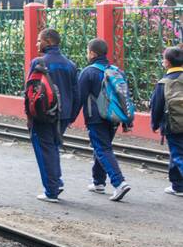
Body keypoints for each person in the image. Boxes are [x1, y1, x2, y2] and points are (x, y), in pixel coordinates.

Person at [26, 28, 79, 203]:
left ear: (48, 41)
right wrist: (71, 116)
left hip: (43, 115)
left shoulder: (38, 62)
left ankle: (51, 190)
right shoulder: (70, 64)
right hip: (63, 115)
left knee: (44, 150)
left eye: (39, 40)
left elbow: (29, 91)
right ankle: (57, 181)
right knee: (53, 147)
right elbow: (76, 93)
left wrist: (29, 116)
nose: (37, 44)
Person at [76, 38, 131, 201]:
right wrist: (127, 120)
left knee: (102, 149)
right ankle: (98, 182)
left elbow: (80, 97)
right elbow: (125, 97)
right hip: (114, 118)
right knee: (102, 147)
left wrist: (69, 118)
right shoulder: (117, 71)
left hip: (96, 118)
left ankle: (119, 183)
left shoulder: (88, 72)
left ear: (92, 53)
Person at [150, 45, 183, 196]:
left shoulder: (163, 83)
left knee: (177, 155)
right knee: (176, 155)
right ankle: (177, 185)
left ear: (168, 63)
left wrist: (155, 124)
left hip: (172, 125)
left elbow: (156, 106)